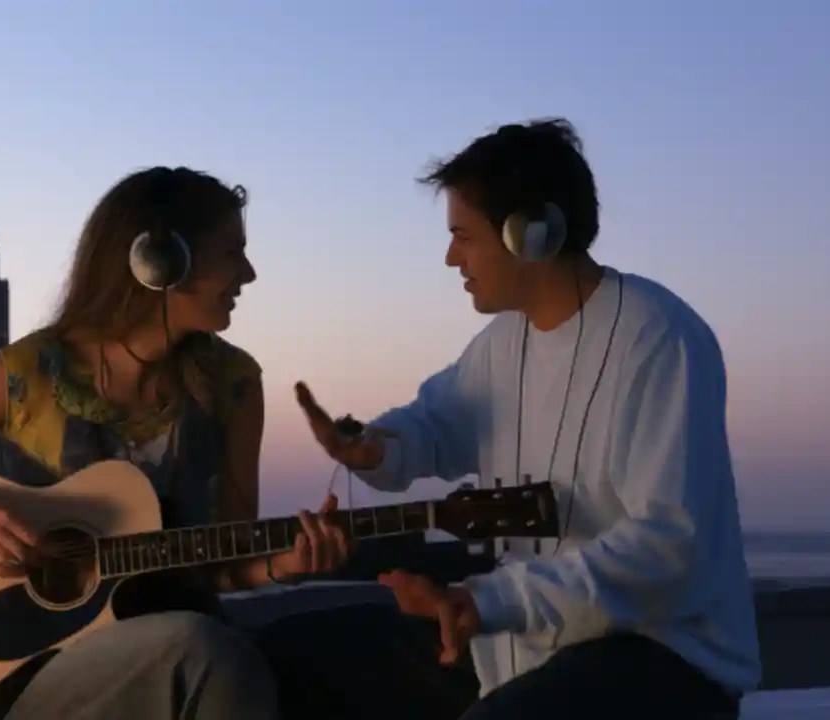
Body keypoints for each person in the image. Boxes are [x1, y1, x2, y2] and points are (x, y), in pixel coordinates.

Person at [0, 166, 350, 720]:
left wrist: (282, 565)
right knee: (204, 649)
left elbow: (219, 564)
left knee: (351, 641)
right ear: (160, 263)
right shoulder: (31, 375)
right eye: (232, 252)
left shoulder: (234, 385)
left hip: (163, 656)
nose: (249, 273)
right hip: (23, 675)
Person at [295, 119, 761, 718]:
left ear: (531, 234)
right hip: (526, 643)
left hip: (661, 658)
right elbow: (435, 425)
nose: (450, 258)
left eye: (463, 236)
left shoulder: (657, 338)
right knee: (301, 660)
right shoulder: (500, 346)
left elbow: (668, 544)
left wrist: (485, 601)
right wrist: (373, 448)